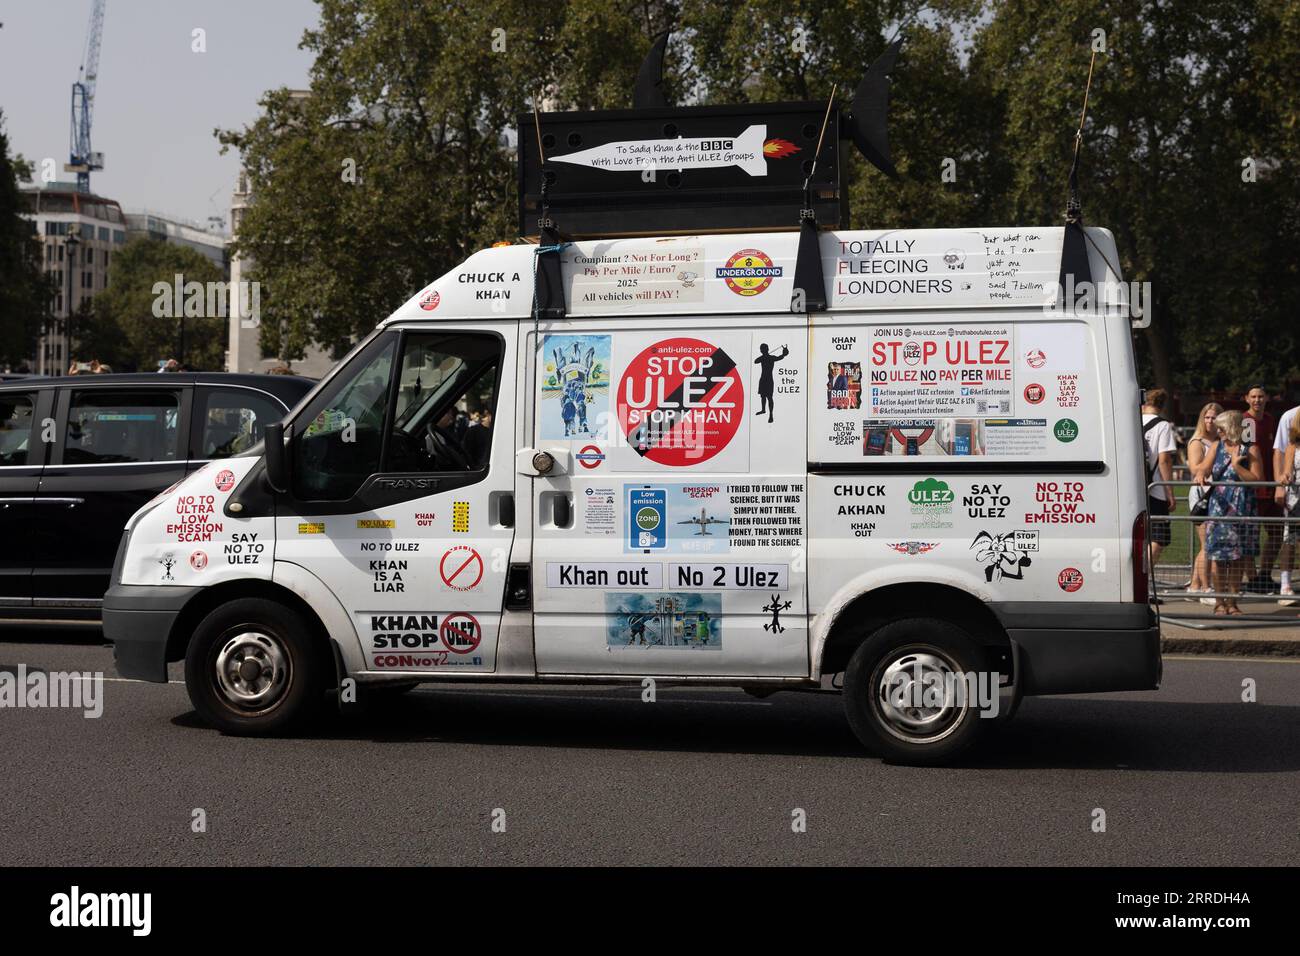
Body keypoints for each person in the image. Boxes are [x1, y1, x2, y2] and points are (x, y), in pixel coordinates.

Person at [1195, 410, 1264, 615]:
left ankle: (1232, 602)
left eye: (1222, 427)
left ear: (1232, 427)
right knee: (1217, 557)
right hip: (1219, 506)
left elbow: (1257, 480)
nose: (1218, 430)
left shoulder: (1251, 450)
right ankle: (1219, 602)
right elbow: (1204, 468)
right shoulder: (1216, 446)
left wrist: (1237, 466)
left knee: (1238, 558)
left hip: (1243, 507)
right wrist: (1200, 474)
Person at [1242, 386, 1280, 593]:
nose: (1257, 400)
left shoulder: (1270, 419)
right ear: (1247, 399)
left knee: (1276, 532)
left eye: (1261, 396)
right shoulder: (1246, 421)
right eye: (1254, 396)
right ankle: (1253, 578)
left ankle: (1265, 574)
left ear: (1266, 398)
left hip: (1273, 485)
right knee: (1251, 535)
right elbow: (1247, 455)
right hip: (1255, 487)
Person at [1186, 402, 1222, 603]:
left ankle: (1194, 587)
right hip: (1202, 496)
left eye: (1214, 417)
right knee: (1207, 544)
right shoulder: (1197, 442)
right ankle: (1205, 588)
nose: (1210, 421)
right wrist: (1214, 454)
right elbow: (1195, 469)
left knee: (1207, 544)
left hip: (1216, 495)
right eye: (1207, 417)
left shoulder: (1221, 440)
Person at [1141, 389, 1177, 569]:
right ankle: (1143, 574)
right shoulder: (1163, 426)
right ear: (1162, 406)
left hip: (1134, 488)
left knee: (1138, 536)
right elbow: (1164, 460)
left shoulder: (1131, 421)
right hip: (1155, 488)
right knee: (1159, 537)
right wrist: (1170, 492)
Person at [1274, 410, 1299, 605]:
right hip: (1296, 499)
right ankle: (1285, 584)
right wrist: (1283, 478)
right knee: (1289, 541)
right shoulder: (1293, 445)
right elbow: (1287, 470)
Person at [753, 343, 789, 423]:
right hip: (763, 379)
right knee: (762, 396)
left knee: (769, 397)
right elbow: (755, 361)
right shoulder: (765, 358)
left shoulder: (771, 358)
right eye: (761, 349)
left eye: (763, 349)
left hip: (768, 380)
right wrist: (764, 357)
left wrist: (784, 352)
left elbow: (781, 357)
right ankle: (763, 410)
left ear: (766, 349)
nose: (762, 350)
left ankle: (771, 415)